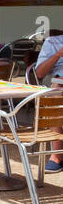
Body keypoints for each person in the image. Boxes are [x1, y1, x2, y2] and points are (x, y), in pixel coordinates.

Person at [34, 32, 63, 172]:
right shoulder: (53, 42)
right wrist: (58, 55)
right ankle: (57, 154)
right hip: (57, 84)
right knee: (55, 95)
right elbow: (39, 73)